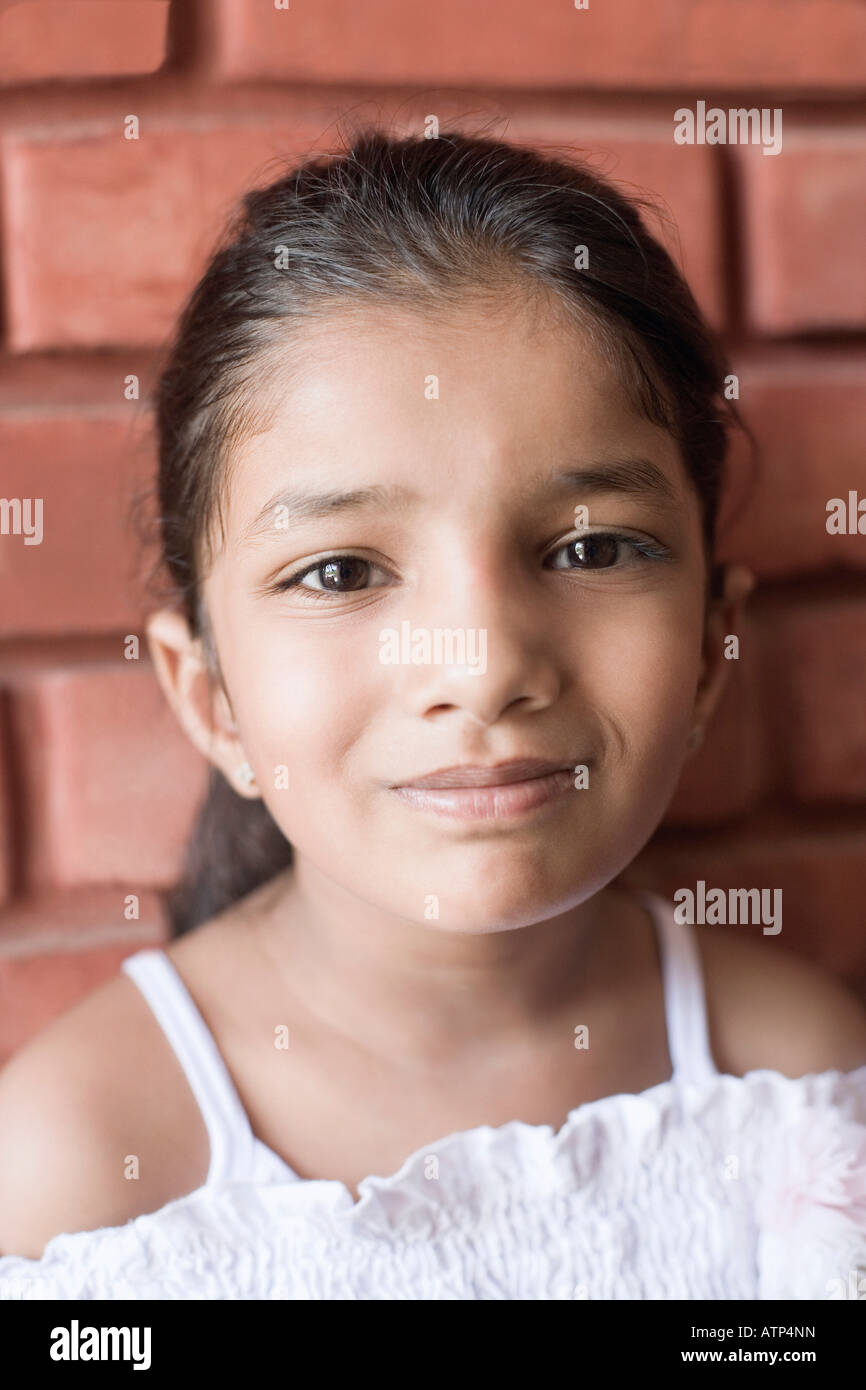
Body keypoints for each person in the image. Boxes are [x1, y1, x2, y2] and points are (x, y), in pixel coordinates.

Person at [0, 129, 864, 1300]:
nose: (483, 665)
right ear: (210, 698)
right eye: (341, 571)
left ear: (713, 652)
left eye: (591, 546)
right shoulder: (79, 1172)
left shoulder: (797, 1083)